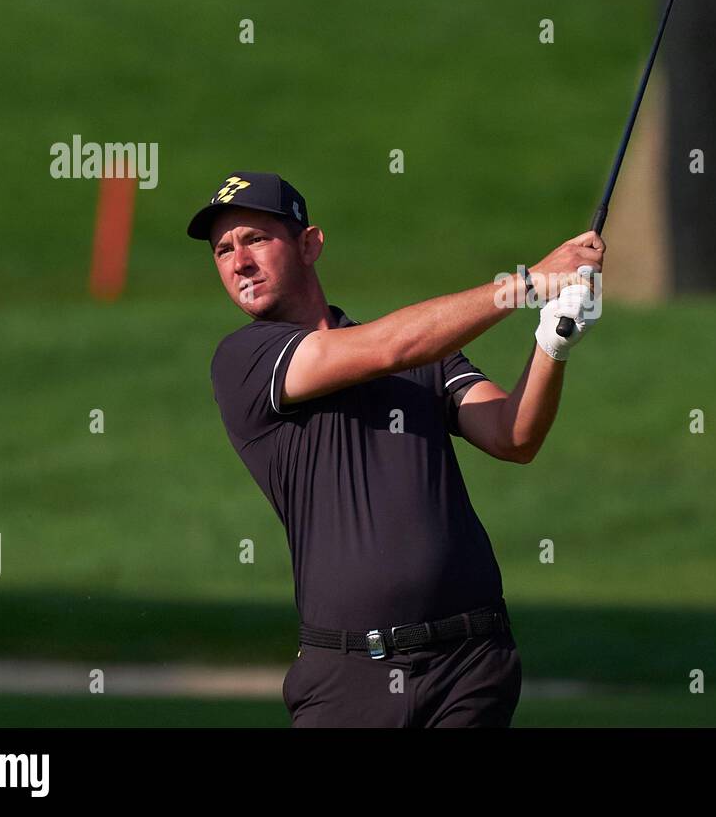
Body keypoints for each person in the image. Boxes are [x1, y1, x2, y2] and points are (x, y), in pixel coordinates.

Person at [186, 171, 604, 727]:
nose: (238, 261)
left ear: (309, 244)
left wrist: (551, 342)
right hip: (346, 675)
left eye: (257, 239)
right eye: (223, 250)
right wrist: (527, 285)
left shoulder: (422, 357)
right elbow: (389, 346)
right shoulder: (245, 360)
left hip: (469, 663)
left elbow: (513, 435)